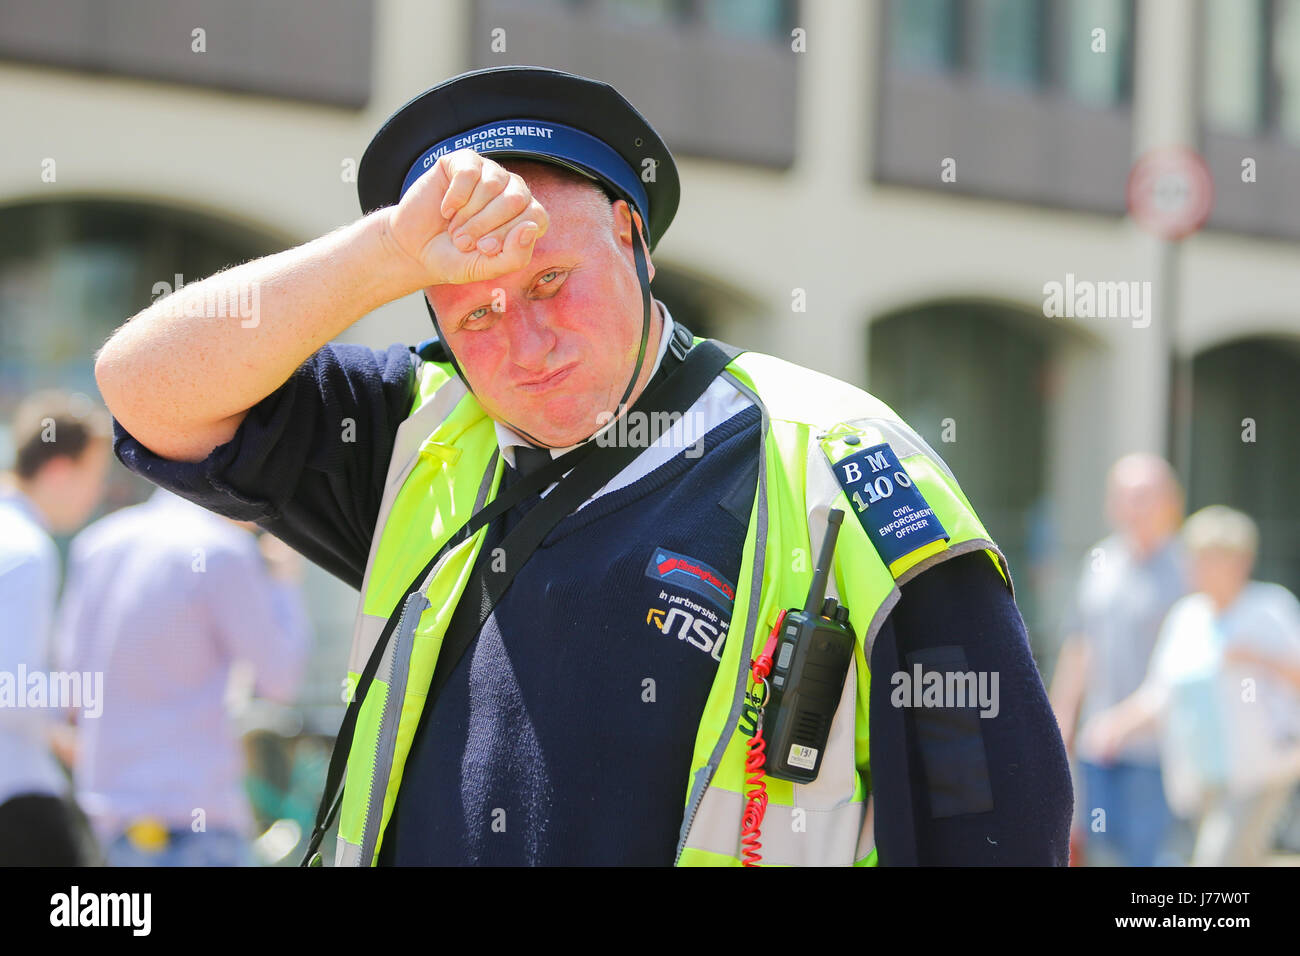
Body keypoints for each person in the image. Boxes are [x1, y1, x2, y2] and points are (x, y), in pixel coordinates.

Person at [94, 65, 1072, 866]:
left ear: (630, 237)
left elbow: (996, 821)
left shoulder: (836, 458)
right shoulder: (417, 429)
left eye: (550, 280)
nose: (524, 342)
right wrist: (383, 255)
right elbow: (146, 389)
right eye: (473, 311)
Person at [55, 488, 312, 866]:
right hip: (198, 821)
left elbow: (71, 690)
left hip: (115, 819)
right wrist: (283, 582)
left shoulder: (98, 544)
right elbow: (281, 679)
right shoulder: (224, 552)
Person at [1082, 505, 1300, 866]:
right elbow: (1159, 694)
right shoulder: (1187, 617)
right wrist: (1113, 725)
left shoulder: (1270, 608)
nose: (1199, 568)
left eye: (1212, 559)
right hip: (1201, 779)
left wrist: (1258, 657)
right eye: (1195, 558)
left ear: (1241, 561)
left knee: (1217, 861)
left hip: (1260, 773)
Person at [1050, 452, 1188, 866]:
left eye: (1145, 495)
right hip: (1100, 745)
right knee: (1103, 853)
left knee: (1155, 857)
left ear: (1171, 503)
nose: (1134, 505)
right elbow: (1080, 648)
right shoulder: (1100, 564)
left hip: (1162, 750)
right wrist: (1061, 721)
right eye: (1125, 496)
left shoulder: (1187, 570)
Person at [0, 390, 111, 865]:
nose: (97, 495)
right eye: (95, 477)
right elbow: (11, 687)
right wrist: (82, 703)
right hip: (16, 793)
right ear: (62, 471)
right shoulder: (27, 548)